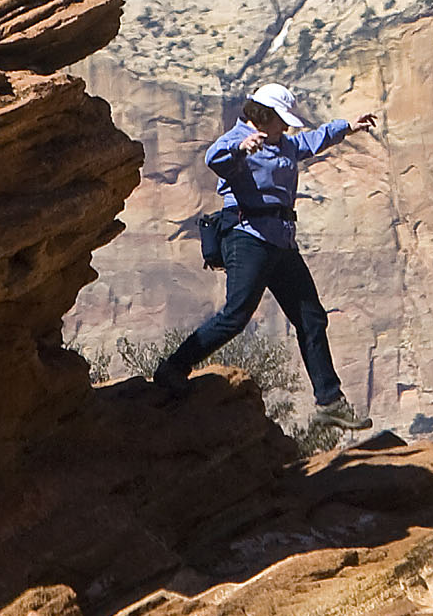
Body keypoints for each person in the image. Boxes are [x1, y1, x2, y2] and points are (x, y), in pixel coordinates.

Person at [149, 82, 378, 435]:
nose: (286, 126)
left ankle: (330, 402)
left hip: (282, 242)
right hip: (248, 238)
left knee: (311, 318)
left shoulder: (283, 143)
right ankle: (173, 368)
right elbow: (214, 158)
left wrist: (347, 127)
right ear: (264, 115)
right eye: (281, 120)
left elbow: (311, 141)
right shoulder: (238, 139)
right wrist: (241, 149)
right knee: (235, 316)